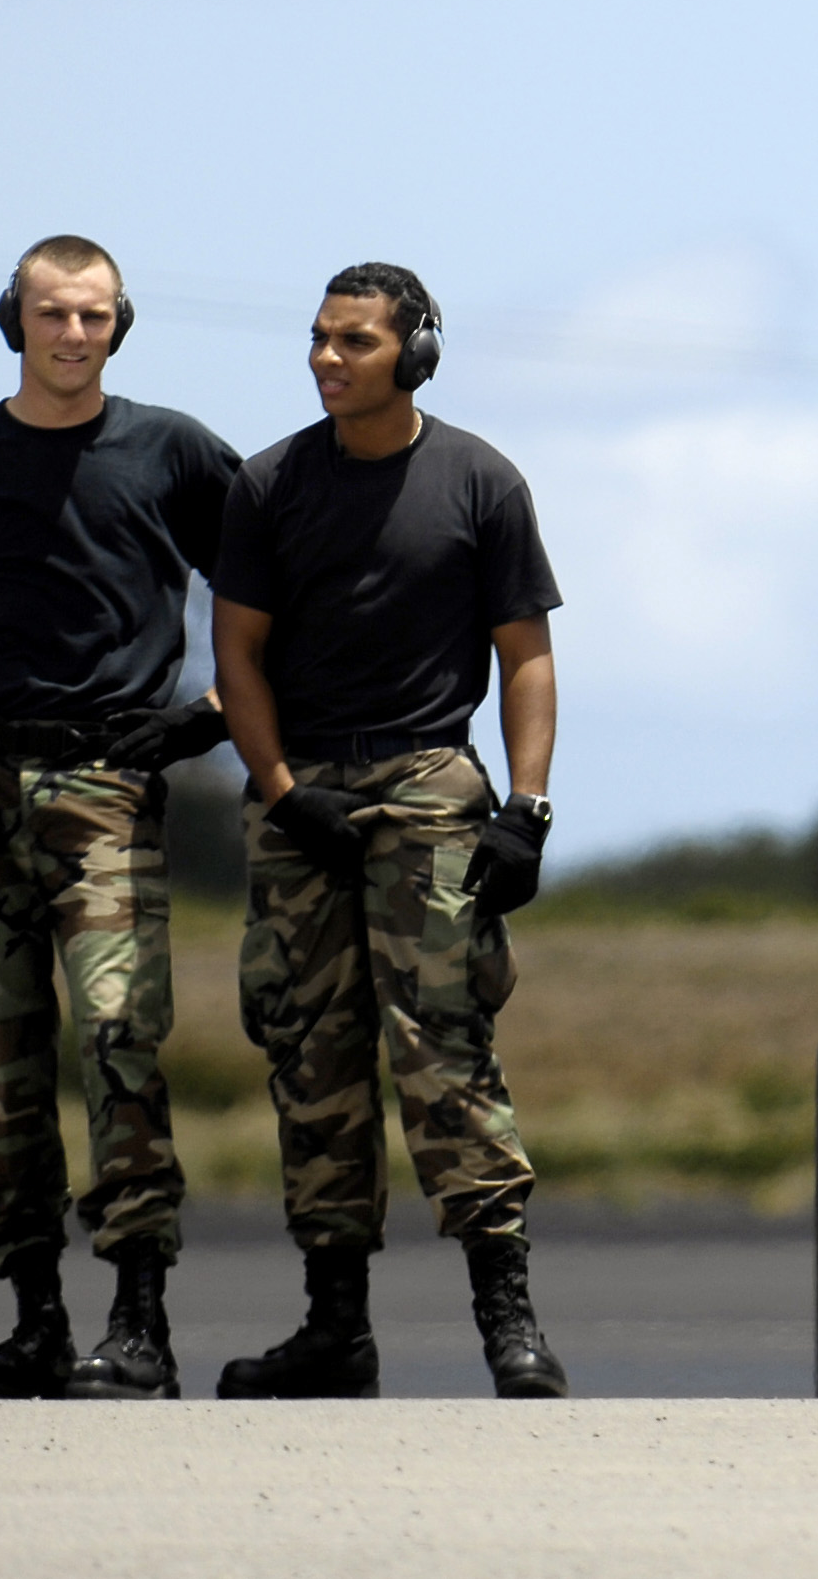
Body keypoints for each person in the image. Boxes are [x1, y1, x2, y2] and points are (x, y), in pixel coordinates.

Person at [0, 236, 239, 1399]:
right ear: (13, 320)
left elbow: (281, 579)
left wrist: (218, 715)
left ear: (120, 324)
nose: (72, 334)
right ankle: (37, 1319)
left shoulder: (171, 450)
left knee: (119, 1038)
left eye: (93, 315)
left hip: (107, 784)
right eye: (51, 314)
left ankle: (141, 1322)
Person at [207, 262, 569, 1399]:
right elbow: (236, 656)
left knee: (446, 1050)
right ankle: (335, 1331)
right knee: (310, 1055)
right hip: (303, 788)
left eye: (354, 341)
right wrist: (277, 787)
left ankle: (508, 1323)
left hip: (426, 782)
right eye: (318, 339)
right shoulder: (268, 486)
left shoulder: (480, 482)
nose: (328, 359)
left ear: (414, 351)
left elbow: (527, 657)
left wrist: (527, 808)